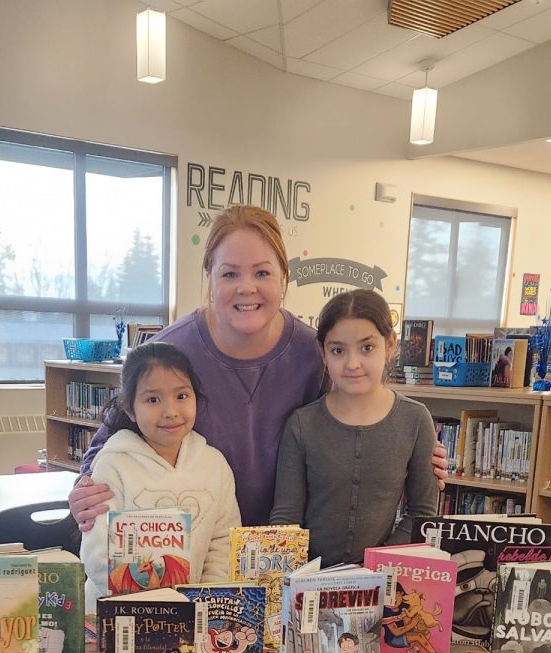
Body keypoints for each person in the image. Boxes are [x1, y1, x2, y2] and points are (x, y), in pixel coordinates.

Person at [70, 206, 447, 532]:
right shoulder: (169, 350)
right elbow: (114, 433)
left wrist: (413, 450)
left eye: (262, 273)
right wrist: (85, 488)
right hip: (193, 547)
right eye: (230, 274)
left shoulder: (312, 353)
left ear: (284, 277)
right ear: (210, 278)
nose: (246, 287)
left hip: (284, 550)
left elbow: (352, 422)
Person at [268, 288, 439, 566]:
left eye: (367, 348)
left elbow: (422, 514)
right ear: (322, 352)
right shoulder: (302, 424)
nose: (353, 363)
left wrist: (373, 568)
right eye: (338, 350)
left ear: (391, 345)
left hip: (382, 580)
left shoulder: (416, 419)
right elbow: (286, 519)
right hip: (308, 581)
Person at [78, 342, 240, 604]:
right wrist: (147, 607)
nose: (171, 411)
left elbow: (224, 544)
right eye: (153, 399)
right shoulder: (113, 465)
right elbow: (97, 553)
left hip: (191, 618)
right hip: (117, 616)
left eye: (182, 396)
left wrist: (204, 604)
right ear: (130, 408)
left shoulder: (214, 464)